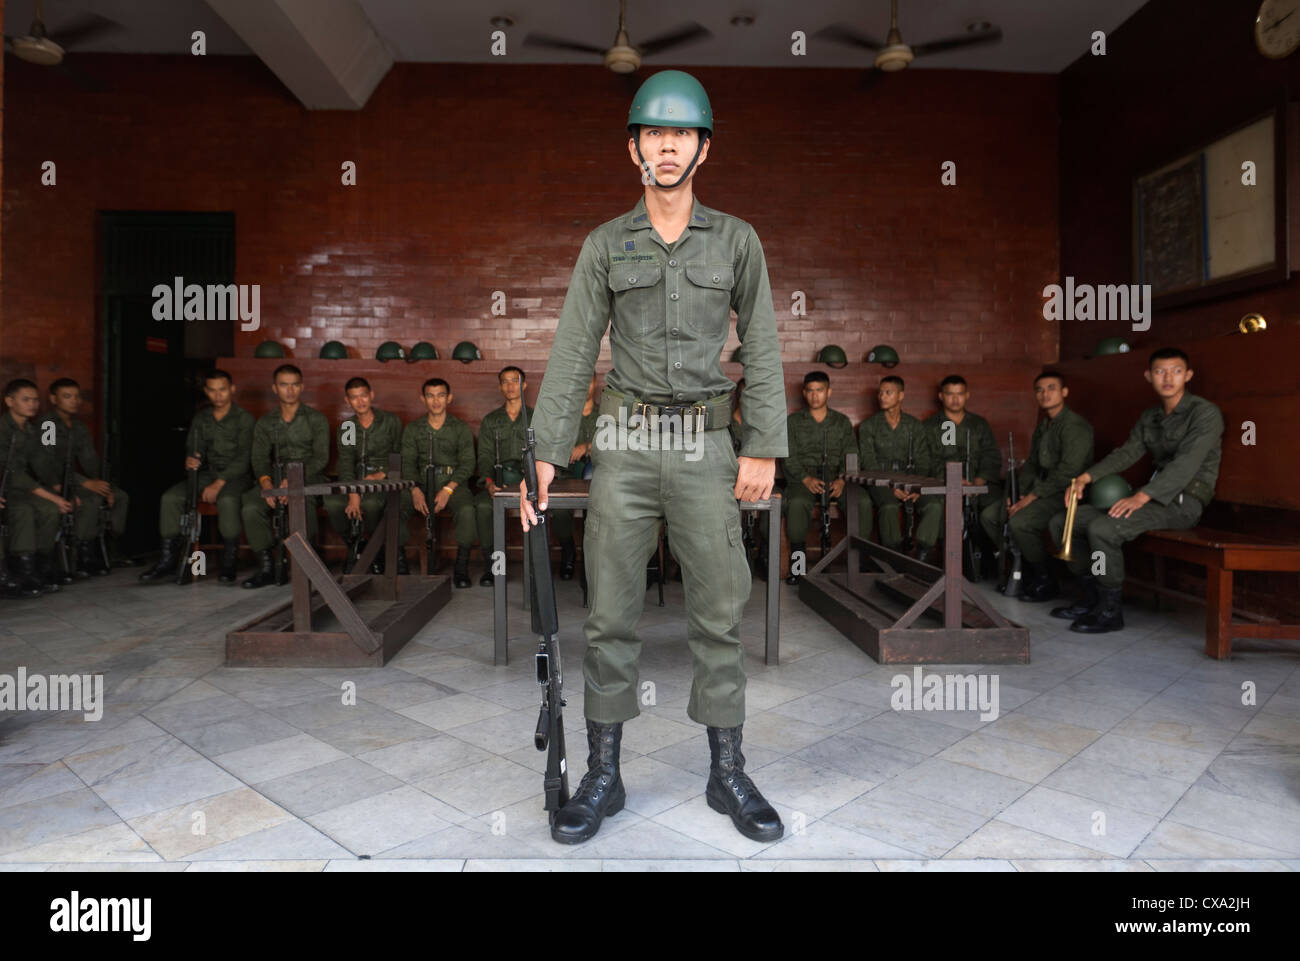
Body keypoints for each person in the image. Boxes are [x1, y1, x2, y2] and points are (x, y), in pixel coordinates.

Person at [521, 70, 787, 846]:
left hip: (706, 441)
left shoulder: (737, 239)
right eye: (653, 134)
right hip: (626, 443)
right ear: (633, 146)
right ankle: (603, 772)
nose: (666, 146)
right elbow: (574, 348)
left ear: (703, 147)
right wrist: (545, 452)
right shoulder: (607, 244)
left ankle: (726, 770)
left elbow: (763, 344)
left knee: (718, 611)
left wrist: (764, 442)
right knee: (609, 611)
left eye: (681, 134)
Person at [1050, 348, 1223, 633]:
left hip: (1183, 502)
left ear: (1188, 375)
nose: (1168, 378)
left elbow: (1185, 464)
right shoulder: (1151, 416)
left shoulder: (1204, 413)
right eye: (1160, 371)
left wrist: (1141, 496)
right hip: (1151, 499)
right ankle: (1091, 597)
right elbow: (1127, 453)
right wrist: (1085, 477)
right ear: (1148, 376)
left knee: (1103, 529)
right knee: (1064, 522)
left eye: (1176, 371)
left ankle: (1109, 610)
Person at [979, 370, 1093, 602]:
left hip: (1065, 493)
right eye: (1039, 390)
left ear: (1064, 392)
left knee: (1020, 522)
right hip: (1038, 490)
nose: (1045, 394)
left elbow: (1067, 472)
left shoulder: (1074, 426)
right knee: (991, 515)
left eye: (1051, 388)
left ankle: (1045, 578)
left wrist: (1030, 497)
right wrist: (1016, 493)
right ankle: (1022, 568)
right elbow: (1031, 464)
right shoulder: (1044, 426)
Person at [139, 369, 254, 584]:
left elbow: (244, 458)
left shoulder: (244, 419)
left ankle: (229, 563)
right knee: (170, 498)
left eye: (222, 390)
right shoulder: (201, 419)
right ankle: (168, 560)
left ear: (232, 390)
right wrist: (191, 460)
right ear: (206, 392)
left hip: (234, 477)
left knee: (228, 501)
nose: (218, 395)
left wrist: (219, 483)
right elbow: (193, 447)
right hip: (204, 475)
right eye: (212, 390)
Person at [240, 364, 330, 589]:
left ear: (302, 387)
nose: (289, 390)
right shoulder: (266, 422)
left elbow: (321, 458)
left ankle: (309, 566)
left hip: (309, 477)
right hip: (275, 477)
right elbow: (259, 458)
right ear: (275, 388)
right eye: (283, 385)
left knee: (302, 503)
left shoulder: (316, 419)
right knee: (251, 506)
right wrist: (266, 482)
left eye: (294, 385)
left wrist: (294, 480)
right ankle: (268, 566)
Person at [32, 378, 129, 577]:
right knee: (90, 500)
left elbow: (90, 460)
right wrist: (85, 482)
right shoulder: (48, 425)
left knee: (120, 497)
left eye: (77, 396)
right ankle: (82, 555)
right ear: (53, 399)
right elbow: (46, 464)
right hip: (52, 482)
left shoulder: (78, 427)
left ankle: (109, 549)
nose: (74, 401)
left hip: (72, 479)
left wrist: (104, 485)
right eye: (67, 396)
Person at [782, 370, 870, 585]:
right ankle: (798, 567)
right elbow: (788, 456)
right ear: (804, 393)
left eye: (819, 390)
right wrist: (805, 479)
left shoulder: (841, 422)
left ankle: (862, 563)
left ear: (828, 392)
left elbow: (852, 454)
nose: (815, 396)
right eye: (810, 391)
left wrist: (842, 479)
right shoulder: (793, 422)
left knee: (862, 502)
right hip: (803, 479)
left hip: (836, 478)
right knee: (796, 504)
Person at [324, 377, 408, 574]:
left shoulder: (389, 421)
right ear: (347, 401)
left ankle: (376, 551)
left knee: (371, 505)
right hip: (356, 479)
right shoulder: (349, 427)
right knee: (333, 504)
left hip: (383, 481)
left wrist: (383, 473)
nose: (360, 401)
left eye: (363, 396)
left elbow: (401, 454)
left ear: (371, 395)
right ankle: (357, 545)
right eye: (354, 398)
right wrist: (353, 494)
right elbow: (345, 462)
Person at [857, 376, 942, 563]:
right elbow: (869, 463)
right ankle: (893, 558)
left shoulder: (915, 426)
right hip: (880, 482)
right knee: (888, 506)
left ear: (901, 395)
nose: (882, 397)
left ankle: (921, 557)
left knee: (934, 506)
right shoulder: (869, 426)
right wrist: (891, 486)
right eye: (880, 393)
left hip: (912, 483)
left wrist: (916, 487)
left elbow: (923, 461)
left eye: (888, 392)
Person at [924, 375, 1002, 576]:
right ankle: (948, 563)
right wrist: (954, 482)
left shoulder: (978, 424)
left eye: (960, 394)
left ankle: (992, 558)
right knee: (942, 506)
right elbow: (929, 461)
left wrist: (978, 481)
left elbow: (991, 456)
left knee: (994, 509)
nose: (955, 399)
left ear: (967, 396)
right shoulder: (933, 425)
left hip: (980, 485)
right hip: (946, 484)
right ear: (941, 396)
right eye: (950, 394)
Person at [402, 378, 476, 587]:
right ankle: (399, 564)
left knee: (468, 511)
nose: (436, 401)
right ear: (423, 399)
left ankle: (461, 568)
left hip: (452, 483)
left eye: (441, 395)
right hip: (420, 483)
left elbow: (468, 463)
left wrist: (447, 489)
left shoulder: (460, 428)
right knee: (394, 506)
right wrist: (415, 490)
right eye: (431, 396)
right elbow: (407, 464)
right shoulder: (413, 429)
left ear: (449, 398)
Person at [0, 379, 71, 595]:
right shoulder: (5, 429)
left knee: (50, 510)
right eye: (26, 400)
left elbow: (42, 463)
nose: (32, 404)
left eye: (35, 400)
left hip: (24, 488)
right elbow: (13, 473)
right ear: (9, 401)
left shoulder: (32, 429)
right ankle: (21, 570)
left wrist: (58, 488)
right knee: (25, 511)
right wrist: (53, 496)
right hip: (8, 488)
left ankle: (38, 567)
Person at [474, 367, 532, 586]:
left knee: (540, 507)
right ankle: (493, 567)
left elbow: (543, 454)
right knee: (482, 507)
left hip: (528, 481)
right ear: (500, 387)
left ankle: (535, 567)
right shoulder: (491, 420)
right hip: (499, 481)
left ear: (524, 385)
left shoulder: (535, 417)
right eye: (505, 382)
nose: (510, 386)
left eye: (515, 381)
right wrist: (489, 483)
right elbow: (485, 456)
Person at [547, 373, 601, 580]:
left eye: (590, 381)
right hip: (568, 475)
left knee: (596, 513)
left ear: (595, 383)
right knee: (559, 512)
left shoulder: (604, 413)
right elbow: (552, 444)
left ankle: (592, 560)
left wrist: (587, 447)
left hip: (596, 477)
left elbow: (616, 444)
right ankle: (568, 551)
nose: (586, 386)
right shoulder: (565, 414)